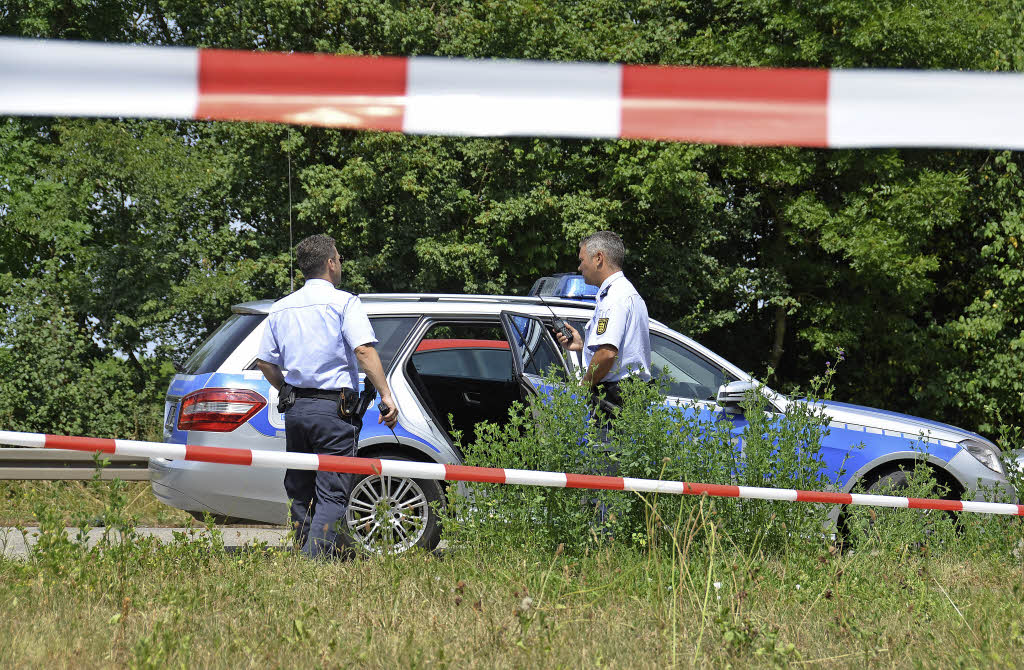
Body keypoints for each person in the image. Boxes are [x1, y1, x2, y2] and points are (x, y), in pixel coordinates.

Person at [255, 234, 398, 559]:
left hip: (297, 410)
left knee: (299, 489)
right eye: (339, 258)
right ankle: (312, 561)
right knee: (332, 493)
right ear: (330, 263)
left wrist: (287, 390)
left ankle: (307, 551)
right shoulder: (345, 303)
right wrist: (386, 395)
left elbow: (265, 361)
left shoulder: (280, 308)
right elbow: (363, 349)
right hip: (334, 413)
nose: (341, 264)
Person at [555, 231, 652, 417]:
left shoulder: (614, 297)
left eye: (582, 259)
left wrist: (584, 385)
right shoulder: (624, 293)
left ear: (598, 258)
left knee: (608, 446)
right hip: (627, 395)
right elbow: (622, 350)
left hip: (614, 399)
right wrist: (583, 347)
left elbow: (607, 354)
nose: (579, 266)